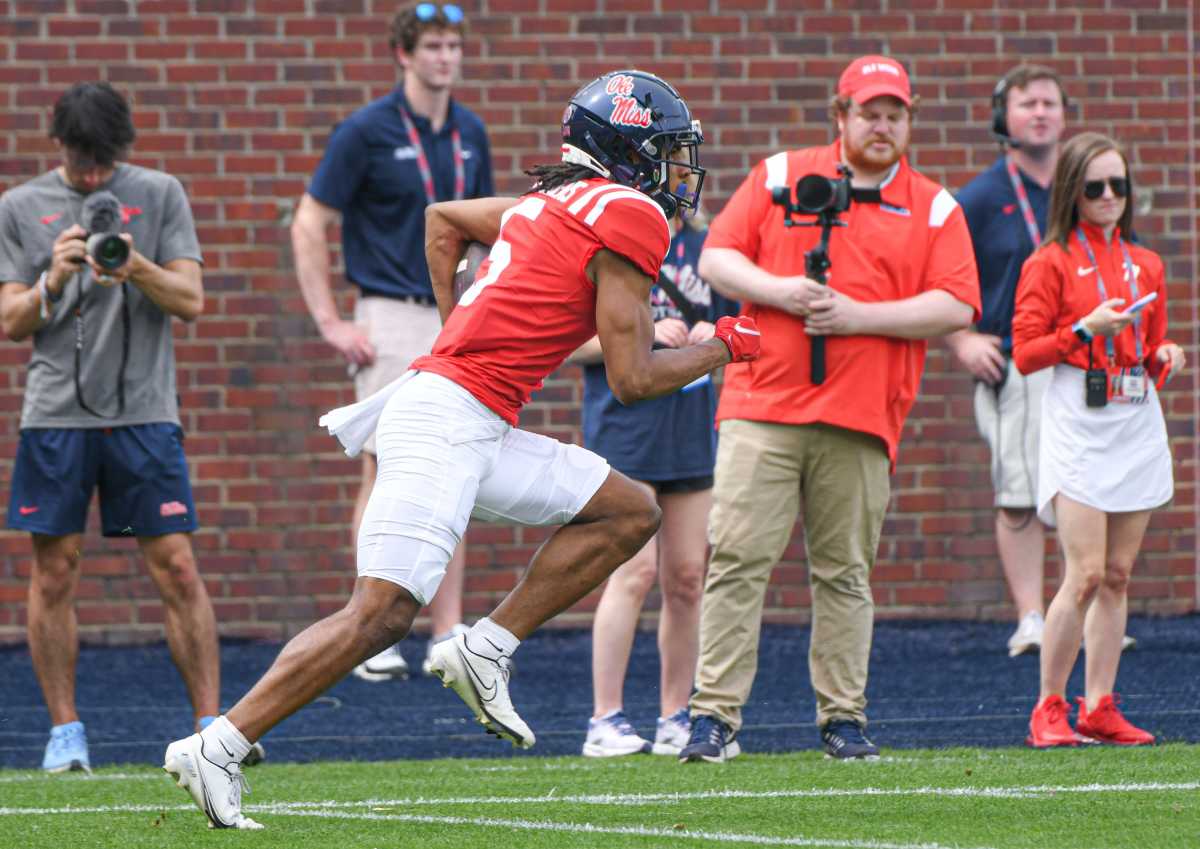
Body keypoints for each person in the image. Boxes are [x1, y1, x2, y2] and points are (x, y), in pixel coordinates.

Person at [163, 69, 761, 830]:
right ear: (624, 149)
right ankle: (218, 744)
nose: (678, 169)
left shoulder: (553, 201)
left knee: (627, 510)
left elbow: (442, 218)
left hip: (472, 416)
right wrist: (723, 346)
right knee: (379, 615)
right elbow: (636, 376)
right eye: (665, 149)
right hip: (449, 416)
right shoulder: (629, 212)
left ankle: (486, 645)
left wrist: (456, 329)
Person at [682, 55, 981, 764]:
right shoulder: (781, 174)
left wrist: (858, 316)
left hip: (862, 415)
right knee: (736, 563)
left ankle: (843, 719)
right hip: (761, 405)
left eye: (895, 112)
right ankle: (713, 717)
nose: (882, 124)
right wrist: (784, 292)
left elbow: (958, 303)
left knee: (845, 573)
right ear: (840, 115)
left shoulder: (936, 205)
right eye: (869, 111)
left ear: (909, 120)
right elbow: (717, 258)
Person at [0, 82, 255, 773]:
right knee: (55, 571)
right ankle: (66, 734)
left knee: (175, 564)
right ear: (60, 146)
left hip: (145, 412)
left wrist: (132, 261)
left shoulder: (162, 192)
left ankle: (211, 726)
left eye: (103, 165)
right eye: (82, 163)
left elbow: (192, 300)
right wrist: (52, 279)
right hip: (56, 416)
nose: (91, 177)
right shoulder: (20, 208)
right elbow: (11, 320)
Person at [289, 2, 493, 681]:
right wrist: (330, 321)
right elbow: (309, 221)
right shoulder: (366, 131)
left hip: (454, 314)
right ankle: (368, 630)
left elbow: (487, 227)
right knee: (381, 467)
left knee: (453, 466)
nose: (445, 58)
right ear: (404, 54)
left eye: (453, 47)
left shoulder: (470, 131)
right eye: (433, 46)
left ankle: (448, 628)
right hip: (388, 312)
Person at [1013, 132, 1183, 748]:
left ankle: (1101, 704)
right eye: (1095, 187)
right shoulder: (1049, 261)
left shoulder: (1149, 264)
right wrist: (1086, 327)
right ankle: (1048, 708)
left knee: (1118, 573)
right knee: (1082, 573)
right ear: (1072, 192)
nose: (1110, 197)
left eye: (1120, 185)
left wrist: (1165, 355)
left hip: (1133, 419)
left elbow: (1147, 354)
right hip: (1077, 421)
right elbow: (1025, 353)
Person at [569, 192, 739, 758]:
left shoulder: (703, 242)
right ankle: (605, 718)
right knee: (633, 573)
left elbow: (735, 321)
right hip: (626, 429)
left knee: (688, 577)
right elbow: (571, 344)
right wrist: (638, 343)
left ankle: (676, 715)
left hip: (689, 427)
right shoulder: (609, 241)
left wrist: (711, 336)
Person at [948, 65, 1065, 658]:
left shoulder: (1085, 187)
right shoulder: (979, 197)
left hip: (1079, 365)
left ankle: (1084, 611)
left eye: (1049, 102)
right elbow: (942, 280)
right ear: (1004, 118)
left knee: (1083, 491)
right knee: (1018, 494)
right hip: (1015, 367)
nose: (1040, 113)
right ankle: (1032, 618)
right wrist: (960, 339)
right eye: (1027, 104)